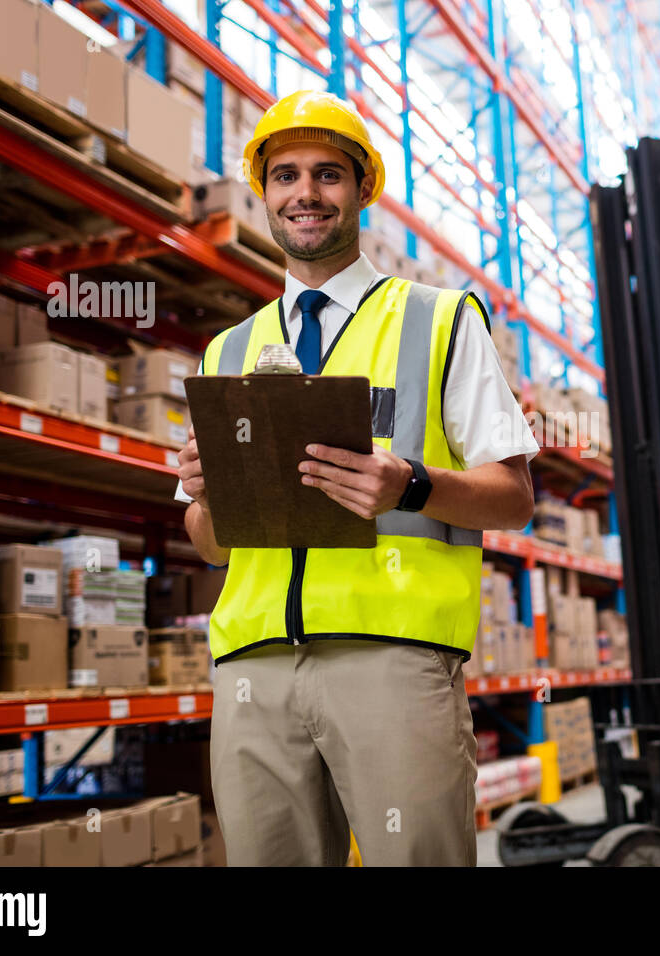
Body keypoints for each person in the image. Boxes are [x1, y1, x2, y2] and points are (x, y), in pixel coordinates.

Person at [174, 90, 539, 866]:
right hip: (253, 670)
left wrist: (409, 485)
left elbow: (513, 499)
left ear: (362, 189)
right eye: (285, 176)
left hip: (392, 660)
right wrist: (207, 496)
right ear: (263, 193)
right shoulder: (226, 353)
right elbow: (208, 547)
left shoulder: (439, 320)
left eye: (328, 174)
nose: (305, 194)